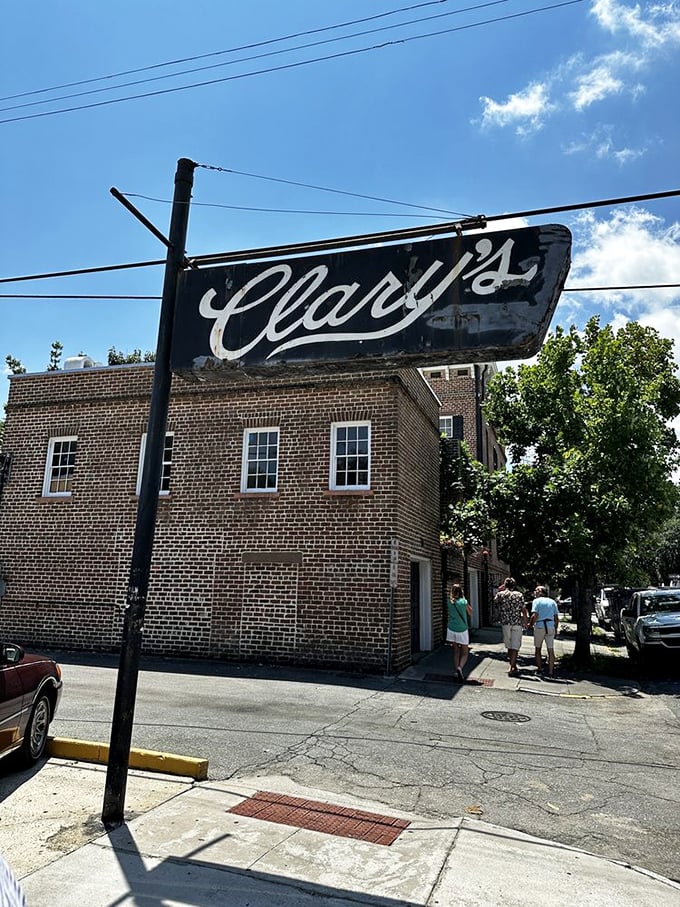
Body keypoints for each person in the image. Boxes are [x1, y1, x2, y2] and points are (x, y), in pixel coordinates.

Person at [493, 577, 528, 677]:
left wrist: (500, 590)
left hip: (505, 622)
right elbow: (523, 610)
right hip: (516, 622)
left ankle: (512, 665)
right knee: (515, 645)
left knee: (509, 645)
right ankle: (513, 666)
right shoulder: (519, 595)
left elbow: (495, 602)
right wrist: (526, 622)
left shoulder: (501, 594)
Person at [529, 585, 560, 677]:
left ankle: (539, 669)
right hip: (550, 626)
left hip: (540, 626)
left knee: (538, 648)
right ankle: (550, 671)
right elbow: (556, 618)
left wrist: (530, 625)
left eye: (537, 590)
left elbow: (534, 615)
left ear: (542, 592)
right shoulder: (552, 602)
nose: (535, 591)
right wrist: (556, 628)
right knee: (550, 650)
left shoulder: (536, 601)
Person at [446, 582, 473, 682]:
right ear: (461, 591)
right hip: (462, 629)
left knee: (456, 651)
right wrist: (464, 599)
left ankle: (456, 671)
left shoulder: (449, 602)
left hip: (451, 628)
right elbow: (470, 613)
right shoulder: (464, 602)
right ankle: (460, 668)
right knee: (465, 652)